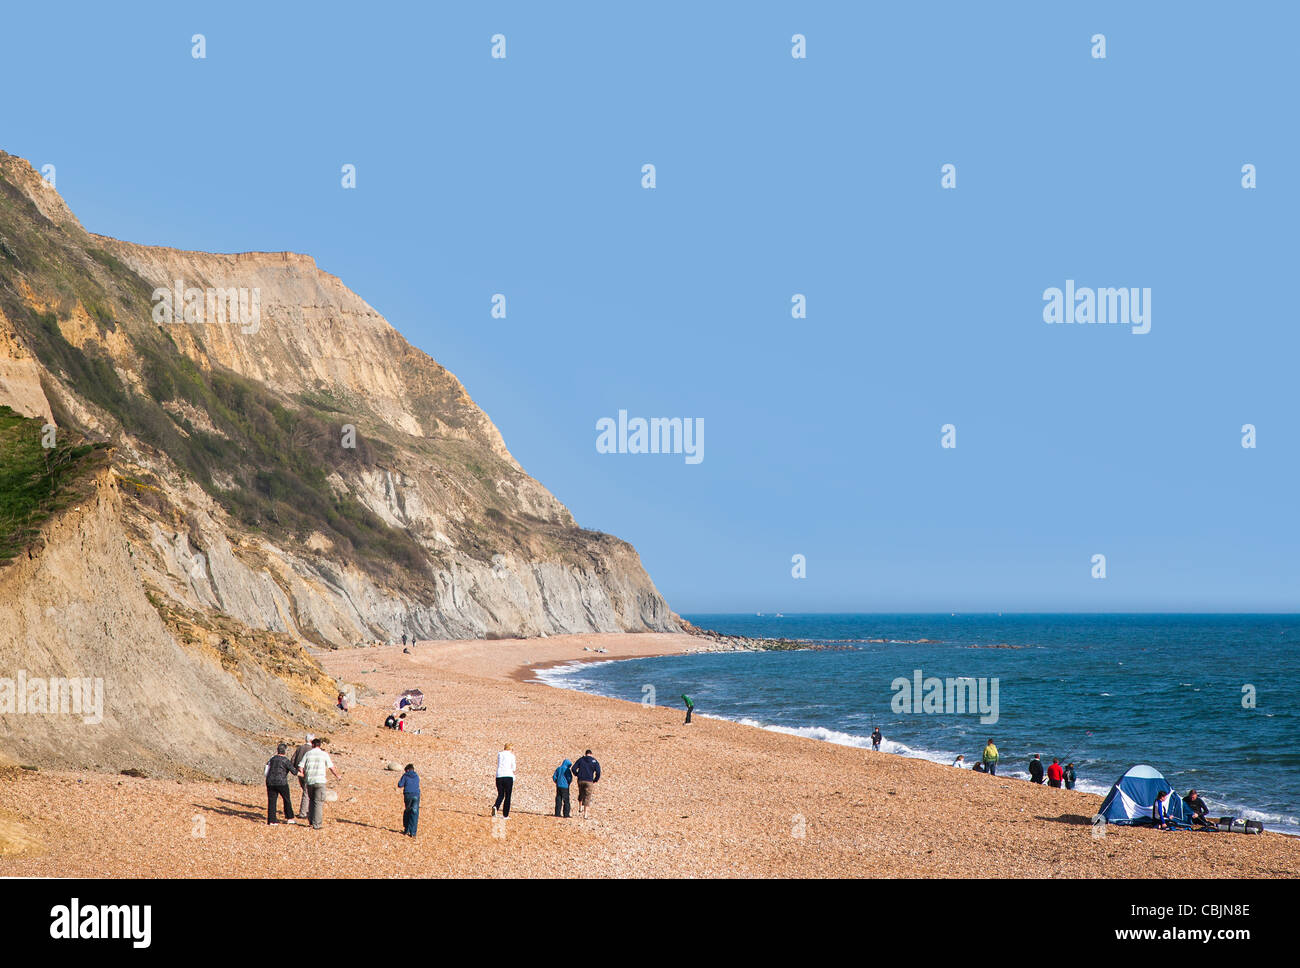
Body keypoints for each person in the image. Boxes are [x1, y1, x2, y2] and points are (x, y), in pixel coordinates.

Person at [301, 737, 342, 829]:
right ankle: (317, 824)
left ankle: (311, 820)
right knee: (318, 803)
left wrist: (304, 775)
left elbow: (300, 766)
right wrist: (337, 775)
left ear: (312, 744)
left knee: (311, 800)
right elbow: (331, 767)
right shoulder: (324, 754)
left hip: (310, 780)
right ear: (320, 745)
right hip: (320, 780)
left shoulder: (308, 754)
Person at [264, 741, 301, 825]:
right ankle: (290, 818)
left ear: (277, 750)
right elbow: (294, 771)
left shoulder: (271, 759)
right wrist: (302, 774)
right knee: (286, 799)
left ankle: (271, 820)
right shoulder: (285, 760)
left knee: (272, 801)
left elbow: (266, 771)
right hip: (281, 782)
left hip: (270, 781)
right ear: (285, 751)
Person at [291, 734, 315, 820]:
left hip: (299, 772)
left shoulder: (300, 748)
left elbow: (293, 759)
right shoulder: (311, 750)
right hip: (308, 773)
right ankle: (303, 813)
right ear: (312, 741)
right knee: (306, 792)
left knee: (305, 791)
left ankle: (306, 810)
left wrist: (295, 770)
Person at [573, 749, 601, 819]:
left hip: (580, 780)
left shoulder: (581, 759)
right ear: (591, 754)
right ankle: (585, 814)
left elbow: (573, 768)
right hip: (589, 781)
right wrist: (595, 780)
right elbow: (598, 772)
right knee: (587, 796)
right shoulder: (594, 761)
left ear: (585, 754)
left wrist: (577, 774)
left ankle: (580, 807)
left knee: (581, 793)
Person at [493, 743, 516, 819]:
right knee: (508, 796)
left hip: (499, 776)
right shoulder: (512, 756)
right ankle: (505, 815)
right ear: (511, 749)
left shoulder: (499, 754)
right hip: (508, 776)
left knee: (501, 794)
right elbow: (513, 768)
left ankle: (496, 806)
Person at [398, 764, 420, 837]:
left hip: (408, 795)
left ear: (407, 770)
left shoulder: (405, 775)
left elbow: (400, 785)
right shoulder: (417, 776)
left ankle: (406, 829)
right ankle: (413, 832)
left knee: (407, 811)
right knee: (415, 812)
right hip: (416, 795)